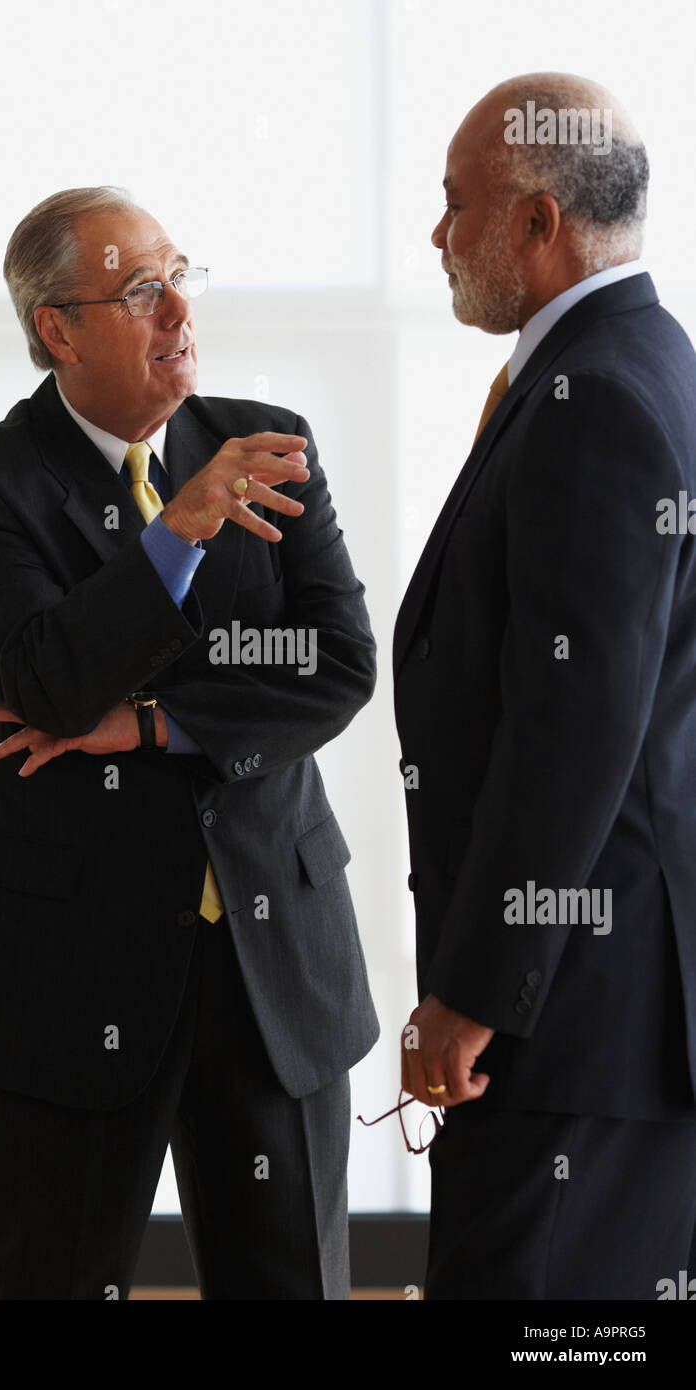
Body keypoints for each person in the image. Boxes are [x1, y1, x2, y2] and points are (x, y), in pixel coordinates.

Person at [0, 186, 379, 1300]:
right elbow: (46, 681)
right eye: (136, 290)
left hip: (269, 962)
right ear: (55, 330)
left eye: (179, 275)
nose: (177, 308)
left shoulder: (269, 443)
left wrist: (158, 722)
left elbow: (335, 666)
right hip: (63, 975)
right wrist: (173, 533)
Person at [393, 74, 696, 1299]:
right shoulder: (634, 358)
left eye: (453, 205)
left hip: (572, 1010)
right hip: (605, 993)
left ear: (535, 222)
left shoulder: (595, 396)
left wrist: (472, 994)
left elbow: (574, 726)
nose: (436, 236)